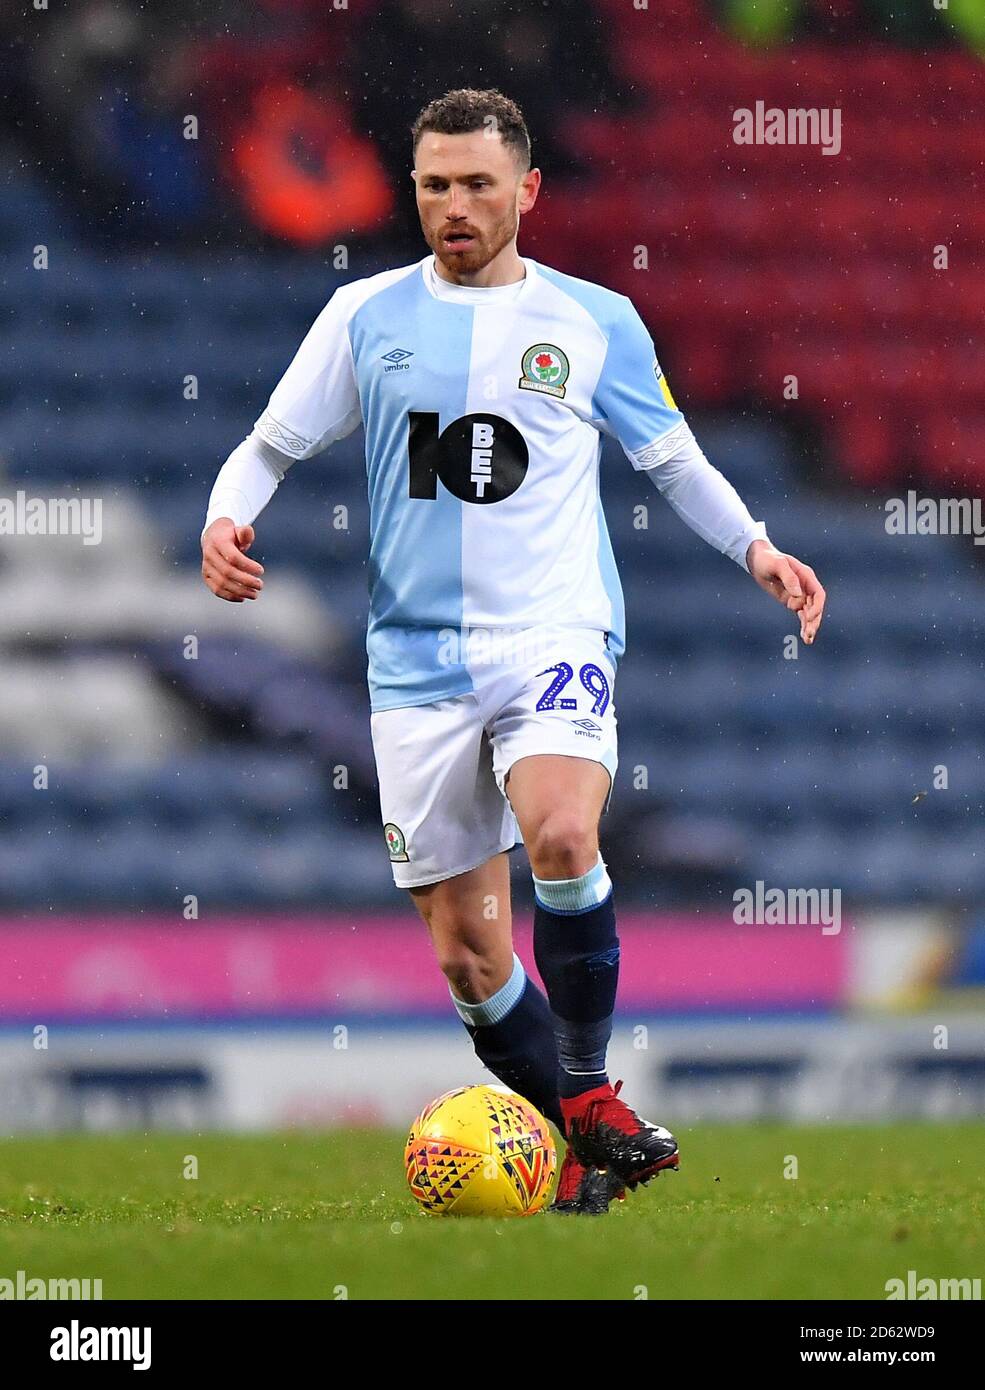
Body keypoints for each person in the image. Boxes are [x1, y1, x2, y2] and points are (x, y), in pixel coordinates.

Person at [201, 87, 826, 1214]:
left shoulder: (594, 321)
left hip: (552, 631)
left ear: (526, 192)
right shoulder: (362, 316)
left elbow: (673, 459)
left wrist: (757, 548)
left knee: (563, 827)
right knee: (471, 959)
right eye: (435, 183)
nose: (454, 203)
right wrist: (221, 520)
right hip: (416, 661)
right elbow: (268, 446)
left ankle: (583, 1092)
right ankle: (588, 1148)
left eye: (478, 184)